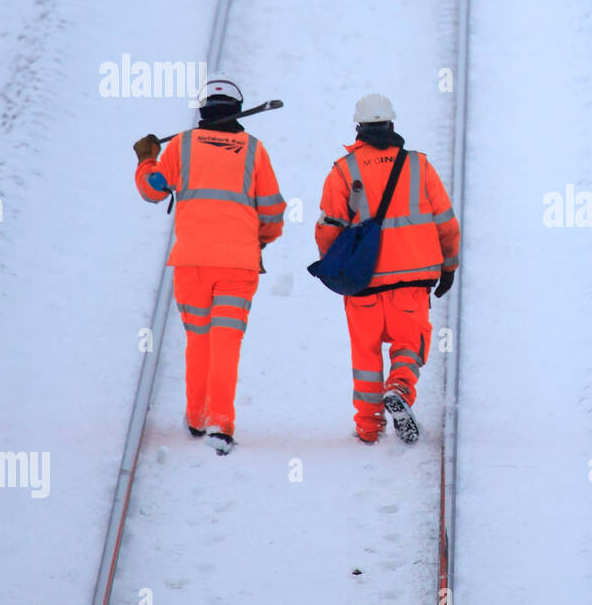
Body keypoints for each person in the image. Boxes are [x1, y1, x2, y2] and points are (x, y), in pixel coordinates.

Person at [132, 74, 285, 454]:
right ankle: (220, 422)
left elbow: (152, 189)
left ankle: (197, 418)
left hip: (192, 263)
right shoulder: (254, 150)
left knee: (198, 339)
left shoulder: (182, 146)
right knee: (227, 343)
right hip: (238, 266)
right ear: (237, 108)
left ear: (203, 110)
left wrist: (147, 159)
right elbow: (273, 211)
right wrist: (258, 242)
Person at [315, 94, 460, 444]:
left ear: (358, 127)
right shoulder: (418, 166)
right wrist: (449, 265)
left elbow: (327, 229)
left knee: (365, 356)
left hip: (363, 285)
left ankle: (368, 428)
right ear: (392, 124)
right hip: (411, 283)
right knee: (410, 344)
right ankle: (399, 387)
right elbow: (447, 223)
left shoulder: (343, 170)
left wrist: (340, 270)